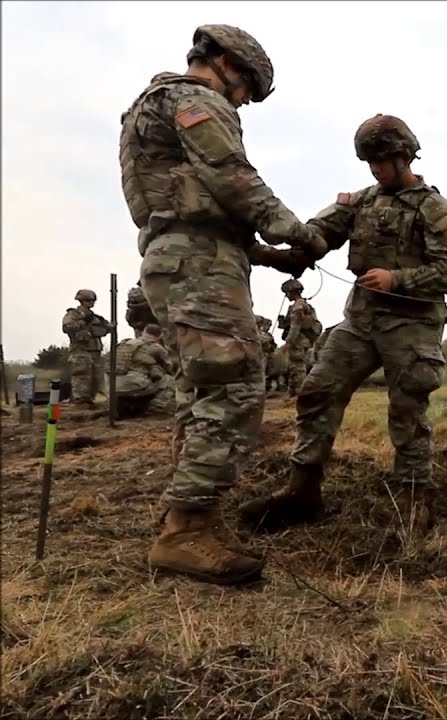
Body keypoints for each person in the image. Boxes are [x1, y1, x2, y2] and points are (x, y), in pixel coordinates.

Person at [117, 23, 328, 586]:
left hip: (187, 259)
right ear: (228, 64)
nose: (243, 102)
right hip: (198, 267)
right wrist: (295, 232)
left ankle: (188, 518)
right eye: (248, 91)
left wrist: (260, 252)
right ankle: (185, 531)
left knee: (201, 390)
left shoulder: (154, 105)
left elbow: (197, 202)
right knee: (234, 387)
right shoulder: (192, 99)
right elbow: (232, 177)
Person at [238, 114, 447, 533]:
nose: (375, 170)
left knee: (407, 409)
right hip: (361, 320)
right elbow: (315, 239)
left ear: (404, 156)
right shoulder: (361, 201)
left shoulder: (434, 209)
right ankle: (302, 490)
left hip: (412, 325)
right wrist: (260, 250)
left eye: (381, 161)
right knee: (317, 391)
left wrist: (396, 279)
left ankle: (415, 499)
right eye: (369, 162)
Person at [108, 323, 175, 418]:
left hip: (112, 385)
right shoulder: (155, 347)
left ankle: (125, 408)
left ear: (144, 332)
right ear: (160, 335)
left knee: (136, 381)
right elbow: (170, 368)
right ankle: (157, 408)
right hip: (135, 384)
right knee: (170, 380)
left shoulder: (125, 343)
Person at [62, 289, 113, 407]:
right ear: (81, 301)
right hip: (80, 350)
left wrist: (107, 327)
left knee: (97, 376)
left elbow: (106, 328)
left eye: (92, 301)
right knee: (82, 375)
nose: (91, 303)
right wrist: (82, 321)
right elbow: (67, 327)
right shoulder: (73, 314)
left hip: (95, 351)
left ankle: (93, 398)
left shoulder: (96, 317)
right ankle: (80, 400)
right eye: (88, 300)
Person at [279, 279, 322, 395]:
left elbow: (295, 326)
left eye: (287, 292)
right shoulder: (304, 305)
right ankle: (293, 394)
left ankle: (300, 393)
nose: (286, 296)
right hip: (303, 340)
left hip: (298, 340)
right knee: (294, 366)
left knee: (297, 367)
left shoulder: (298, 306)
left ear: (292, 292)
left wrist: (288, 342)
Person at [255, 315, 278, 390]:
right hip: (259, 355)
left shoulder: (267, 334)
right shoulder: (255, 332)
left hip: (268, 355)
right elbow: (262, 340)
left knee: (268, 372)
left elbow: (273, 345)